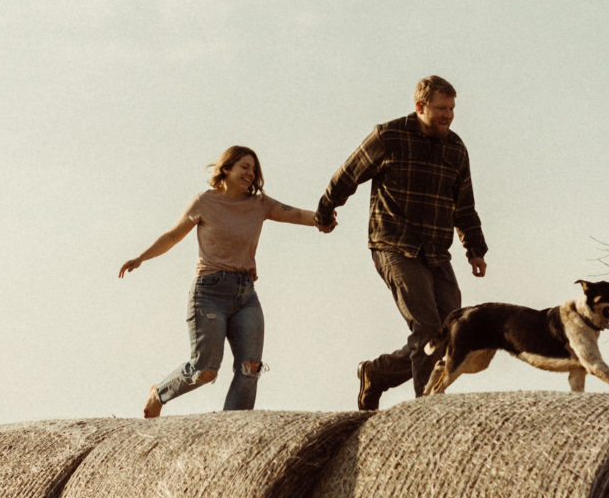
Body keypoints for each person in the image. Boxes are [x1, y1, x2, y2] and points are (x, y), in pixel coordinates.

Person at [316, 75, 487, 409]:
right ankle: (426, 410)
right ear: (420, 106)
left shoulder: (455, 148)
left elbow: (464, 205)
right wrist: (326, 210)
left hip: (436, 252)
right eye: (441, 109)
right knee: (427, 329)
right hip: (394, 245)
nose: (448, 116)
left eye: (451, 109)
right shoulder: (388, 136)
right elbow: (348, 174)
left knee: (450, 333)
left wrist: (475, 249)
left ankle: (377, 373)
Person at [119, 145, 324, 418]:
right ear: (226, 169)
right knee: (205, 369)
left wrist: (321, 219)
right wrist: (141, 258)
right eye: (244, 167)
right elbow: (173, 235)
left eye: (254, 169)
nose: (251, 173)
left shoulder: (259, 204)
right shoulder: (204, 202)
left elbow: (294, 213)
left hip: (246, 294)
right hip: (209, 293)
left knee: (250, 367)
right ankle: (160, 392)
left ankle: (232, 427)